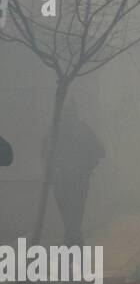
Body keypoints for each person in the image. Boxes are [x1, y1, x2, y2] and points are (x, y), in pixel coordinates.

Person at [47, 99, 104, 245]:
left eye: (71, 113)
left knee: (74, 218)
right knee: (69, 219)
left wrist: (86, 168)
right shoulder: (55, 131)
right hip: (62, 183)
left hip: (78, 183)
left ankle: (72, 246)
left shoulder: (83, 130)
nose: (69, 116)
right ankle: (74, 245)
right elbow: (47, 153)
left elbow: (99, 151)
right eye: (67, 113)